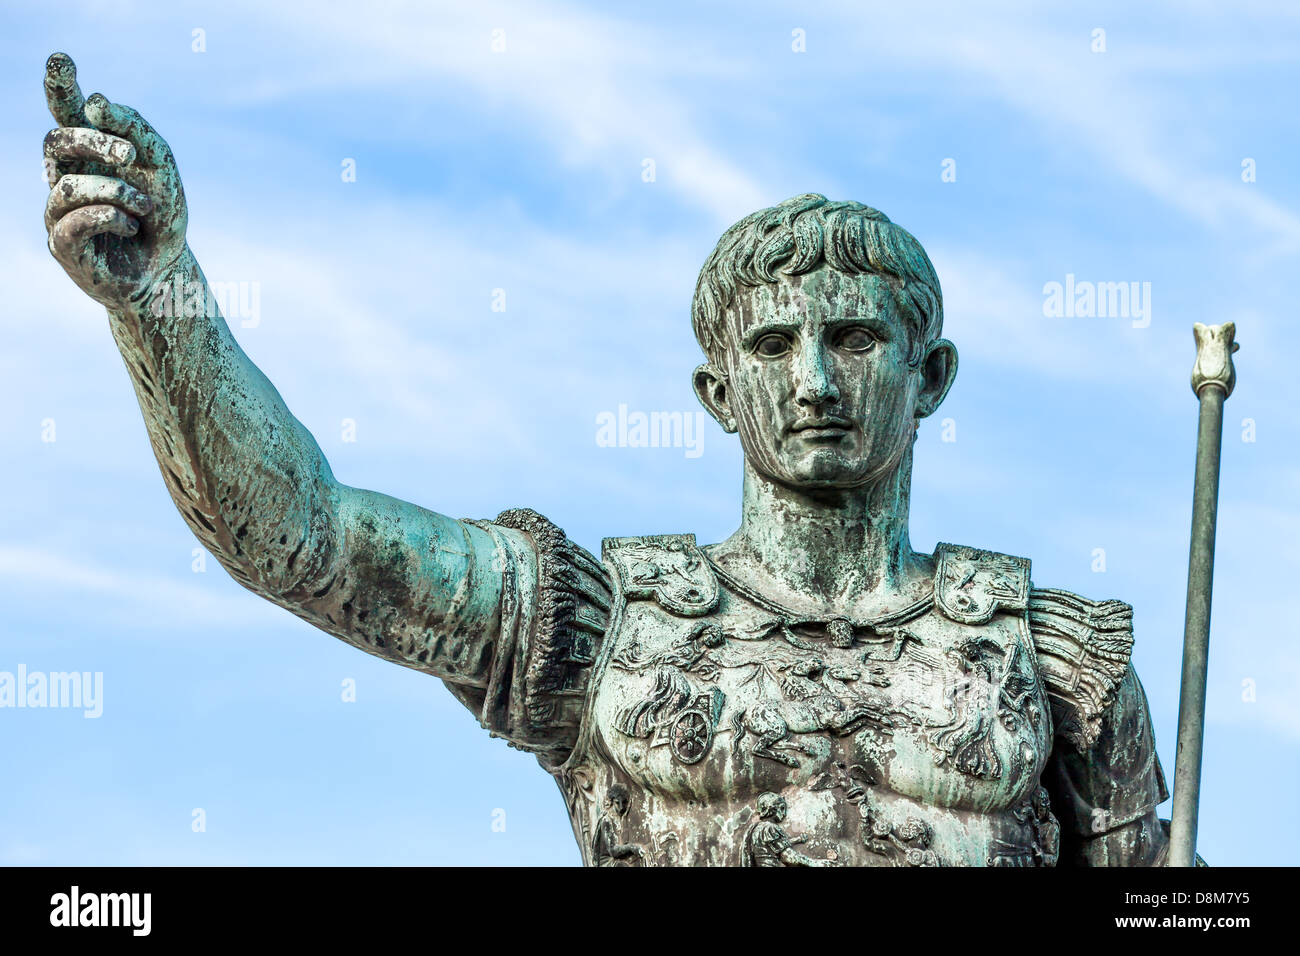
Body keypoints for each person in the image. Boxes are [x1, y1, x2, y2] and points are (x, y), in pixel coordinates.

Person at [41, 52, 1171, 866]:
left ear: (931, 377)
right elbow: (305, 539)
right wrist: (158, 296)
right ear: (717, 394)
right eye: (773, 346)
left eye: (857, 340)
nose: (816, 382)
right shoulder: (599, 626)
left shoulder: (1054, 660)